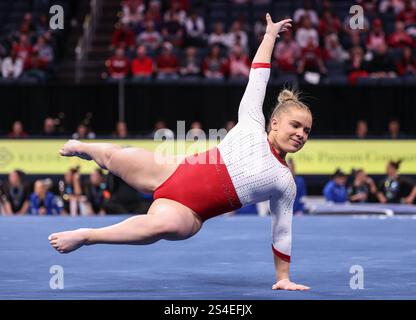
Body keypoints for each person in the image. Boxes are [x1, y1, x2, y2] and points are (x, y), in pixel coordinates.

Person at [49, 15, 311, 291]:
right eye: (296, 125)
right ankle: (84, 147)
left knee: (160, 226)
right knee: (115, 157)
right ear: (275, 122)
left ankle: (86, 236)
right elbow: (259, 73)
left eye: (306, 131)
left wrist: (283, 278)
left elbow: (282, 229)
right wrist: (270, 35)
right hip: (171, 170)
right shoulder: (252, 122)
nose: (300, 134)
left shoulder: (284, 181)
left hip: (190, 212)